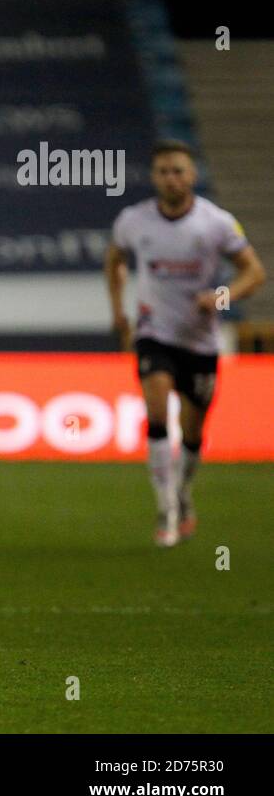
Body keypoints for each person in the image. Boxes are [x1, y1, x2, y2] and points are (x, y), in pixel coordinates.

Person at [105, 141, 265, 546]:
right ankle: (165, 507)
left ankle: (182, 490)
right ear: (154, 177)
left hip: (200, 341)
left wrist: (221, 298)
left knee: (192, 430)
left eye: (178, 170)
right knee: (156, 409)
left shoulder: (216, 223)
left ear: (192, 175)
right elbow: (114, 261)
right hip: (153, 332)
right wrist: (119, 314)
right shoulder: (133, 221)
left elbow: (254, 273)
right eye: (163, 171)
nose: (171, 178)